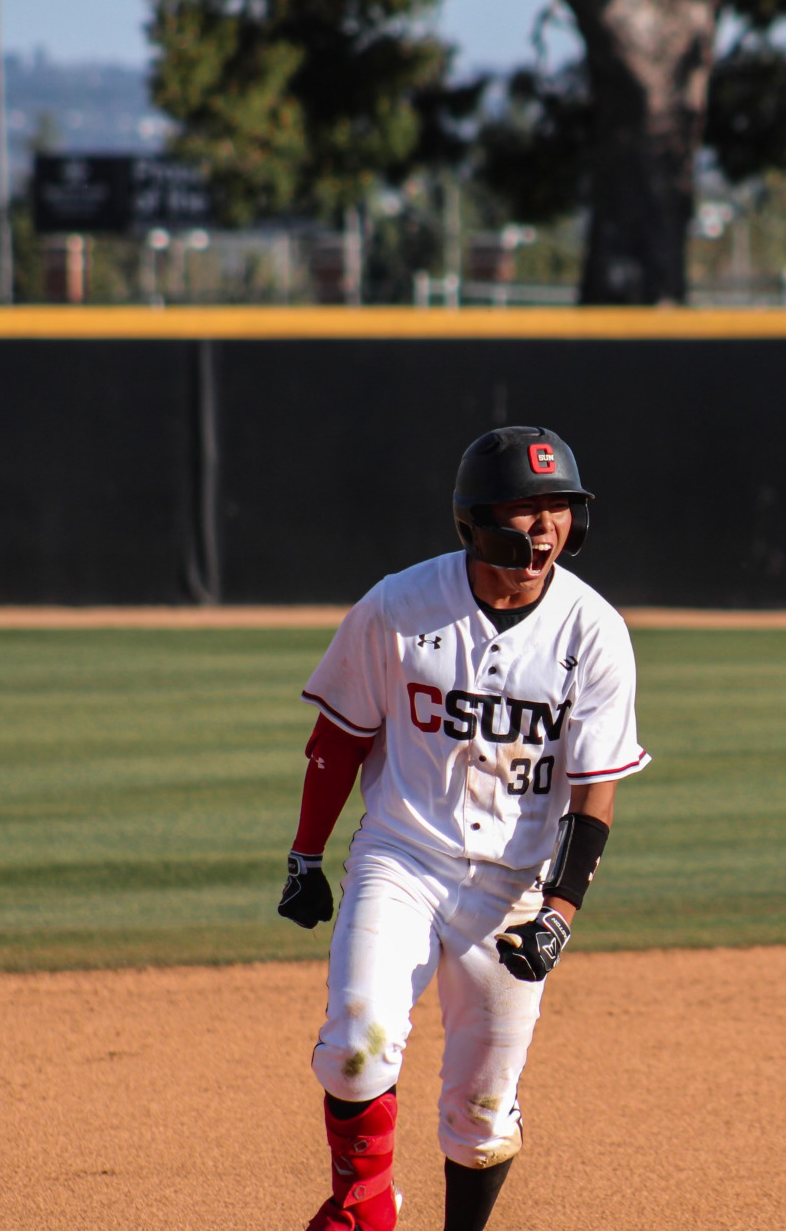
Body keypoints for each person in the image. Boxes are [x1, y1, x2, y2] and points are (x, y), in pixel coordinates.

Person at [277, 425, 650, 1231]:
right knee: (354, 1047)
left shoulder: (593, 632)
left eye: (560, 508)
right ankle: (362, 1207)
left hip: (513, 888)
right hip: (402, 857)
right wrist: (305, 855)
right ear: (476, 520)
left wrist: (560, 914)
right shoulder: (400, 606)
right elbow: (339, 737)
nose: (546, 526)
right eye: (526, 508)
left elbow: (595, 793)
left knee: (481, 1121)